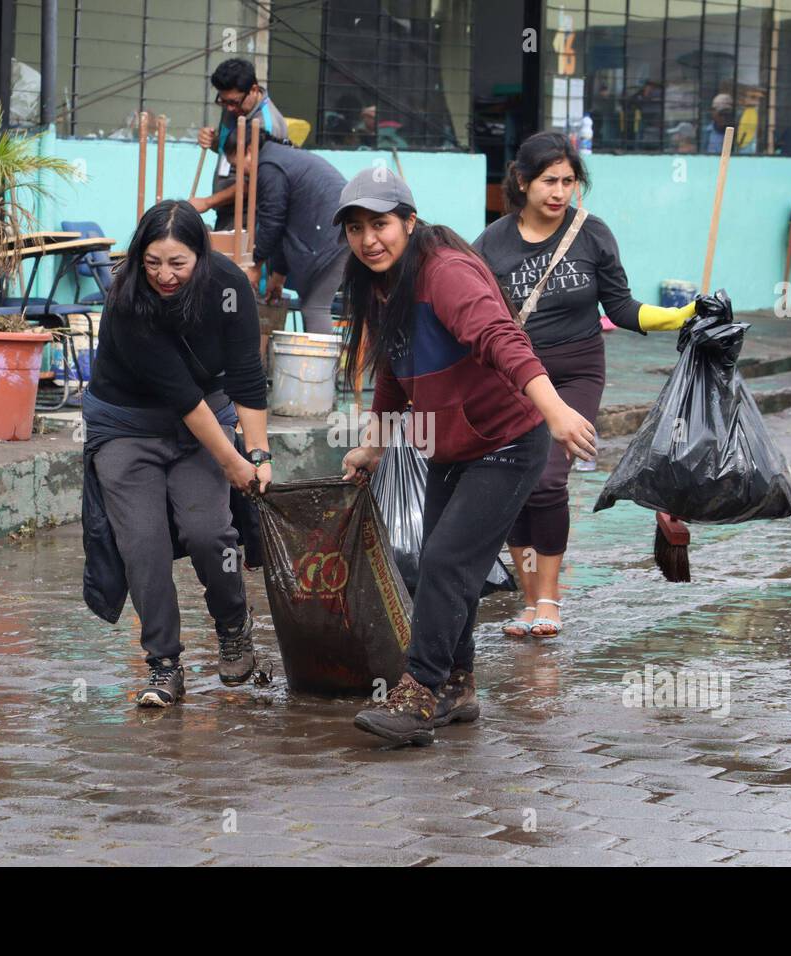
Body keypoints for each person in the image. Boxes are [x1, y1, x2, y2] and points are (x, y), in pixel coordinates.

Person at [335, 168, 598, 746]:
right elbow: (393, 369)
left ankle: (418, 693)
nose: (368, 239)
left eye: (380, 224)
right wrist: (375, 444)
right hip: (447, 442)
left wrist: (554, 411)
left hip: (507, 438)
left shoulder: (446, 273)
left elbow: (502, 338)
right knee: (439, 559)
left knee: (448, 560)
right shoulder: (380, 281)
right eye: (355, 228)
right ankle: (457, 685)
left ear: (408, 220)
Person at [472, 132, 695, 638]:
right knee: (513, 483)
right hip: (514, 379)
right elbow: (478, 319)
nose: (559, 191)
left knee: (548, 478)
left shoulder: (592, 234)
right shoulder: (491, 244)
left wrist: (679, 316)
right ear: (523, 182)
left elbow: (621, 307)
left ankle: (550, 598)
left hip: (576, 372)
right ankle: (529, 602)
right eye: (549, 180)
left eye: (569, 181)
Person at [81, 200, 273, 707]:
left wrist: (258, 453)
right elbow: (180, 394)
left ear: (201, 257)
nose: (164, 275)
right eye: (153, 263)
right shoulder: (126, 299)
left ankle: (234, 626)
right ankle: (163, 664)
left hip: (205, 422)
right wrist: (233, 463)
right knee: (143, 545)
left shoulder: (229, 287)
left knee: (209, 531)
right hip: (126, 426)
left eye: (178, 263)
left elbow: (246, 376)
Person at [221, 132, 349, 334]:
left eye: (238, 166)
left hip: (334, 238)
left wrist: (255, 264)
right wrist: (278, 276)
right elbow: (282, 225)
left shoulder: (269, 167)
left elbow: (272, 222)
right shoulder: (278, 158)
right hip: (335, 234)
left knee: (315, 307)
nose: (241, 175)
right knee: (311, 303)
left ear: (247, 151)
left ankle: (321, 366)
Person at [193, 59, 290, 231]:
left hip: (250, 215)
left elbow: (252, 181)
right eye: (223, 101)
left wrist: (207, 202)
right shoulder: (234, 107)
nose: (228, 108)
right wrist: (212, 141)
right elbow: (232, 152)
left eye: (233, 102)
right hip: (226, 211)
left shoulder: (266, 126)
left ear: (253, 90)